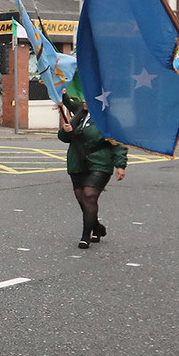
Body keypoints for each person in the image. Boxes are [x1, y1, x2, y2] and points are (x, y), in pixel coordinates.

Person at [57, 95, 127, 248]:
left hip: (100, 163)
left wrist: (120, 165)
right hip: (77, 162)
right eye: (83, 99)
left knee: (89, 195)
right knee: (82, 198)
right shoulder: (79, 115)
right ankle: (97, 227)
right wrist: (65, 130)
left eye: (87, 98)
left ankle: (85, 236)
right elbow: (64, 138)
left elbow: (119, 144)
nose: (83, 101)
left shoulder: (108, 120)